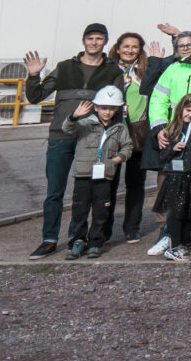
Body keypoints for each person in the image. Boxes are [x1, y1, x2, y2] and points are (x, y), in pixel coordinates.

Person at [21, 24, 124, 258]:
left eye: (99, 38)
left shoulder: (113, 72)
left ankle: (78, 238)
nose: (94, 42)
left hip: (91, 142)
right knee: (54, 192)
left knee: (88, 194)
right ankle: (48, 239)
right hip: (60, 137)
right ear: (83, 40)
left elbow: (116, 110)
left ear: (105, 42)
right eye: (90, 38)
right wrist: (34, 74)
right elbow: (35, 96)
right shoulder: (65, 67)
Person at [62, 85, 133, 258]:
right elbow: (67, 129)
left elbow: (128, 146)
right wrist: (73, 117)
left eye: (111, 108)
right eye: (103, 108)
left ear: (117, 109)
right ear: (96, 107)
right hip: (83, 175)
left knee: (101, 211)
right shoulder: (85, 124)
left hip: (104, 176)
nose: (107, 112)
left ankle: (95, 242)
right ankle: (78, 241)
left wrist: (115, 160)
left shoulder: (120, 128)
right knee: (80, 210)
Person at [151, 92, 191, 261]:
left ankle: (184, 242)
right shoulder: (170, 129)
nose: (190, 115)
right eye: (188, 110)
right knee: (177, 212)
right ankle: (174, 246)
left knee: (190, 211)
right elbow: (162, 156)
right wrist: (172, 148)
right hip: (176, 178)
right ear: (180, 109)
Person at [108, 32, 154, 246]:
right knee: (108, 182)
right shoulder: (108, 70)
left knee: (136, 184)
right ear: (118, 48)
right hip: (113, 131)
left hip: (138, 132)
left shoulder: (143, 72)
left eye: (134, 47)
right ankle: (104, 228)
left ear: (140, 50)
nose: (129, 50)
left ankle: (132, 227)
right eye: (125, 46)